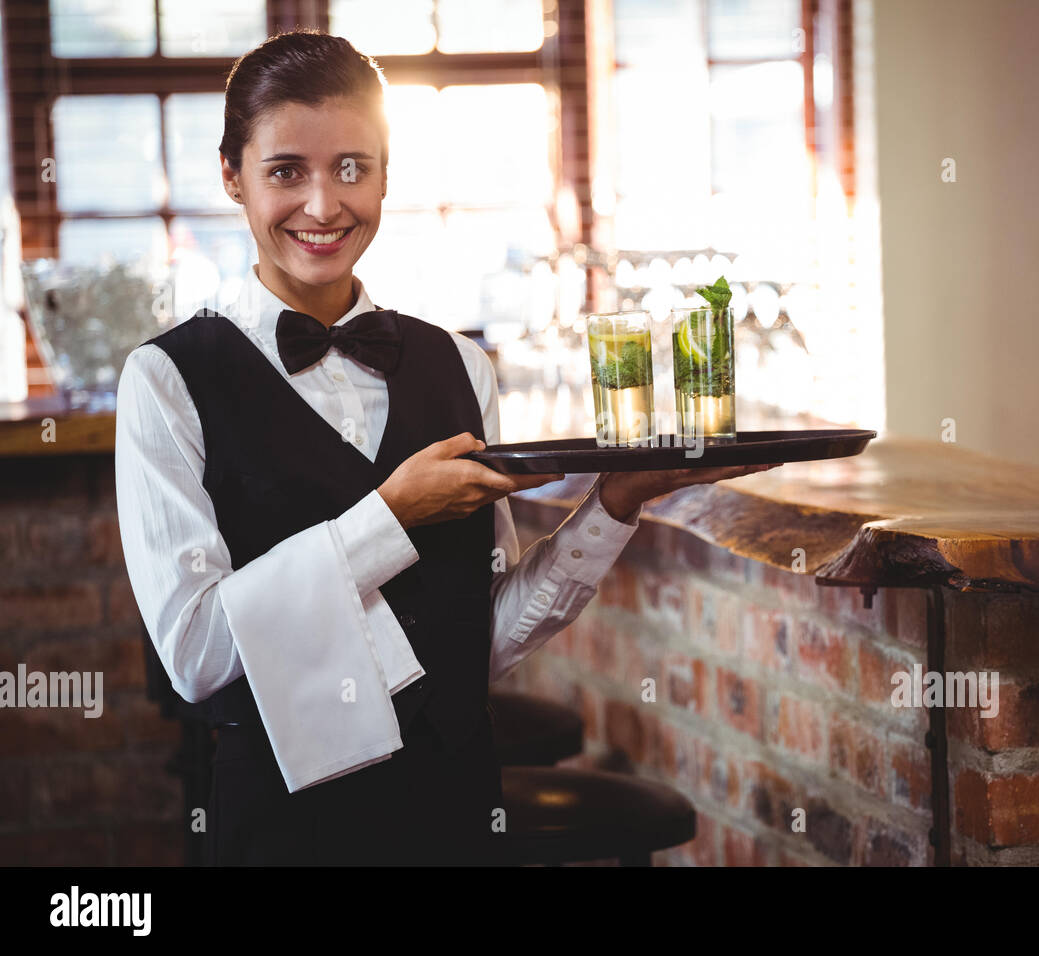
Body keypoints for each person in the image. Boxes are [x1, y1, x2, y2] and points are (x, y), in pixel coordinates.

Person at [115, 28, 778, 866]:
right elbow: (197, 653)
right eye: (287, 171)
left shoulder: (462, 366)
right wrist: (388, 517)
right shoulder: (166, 380)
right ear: (231, 176)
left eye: (352, 167)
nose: (324, 205)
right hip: (282, 829)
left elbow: (479, 643)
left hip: (458, 811)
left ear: (386, 175)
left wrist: (613, 504)